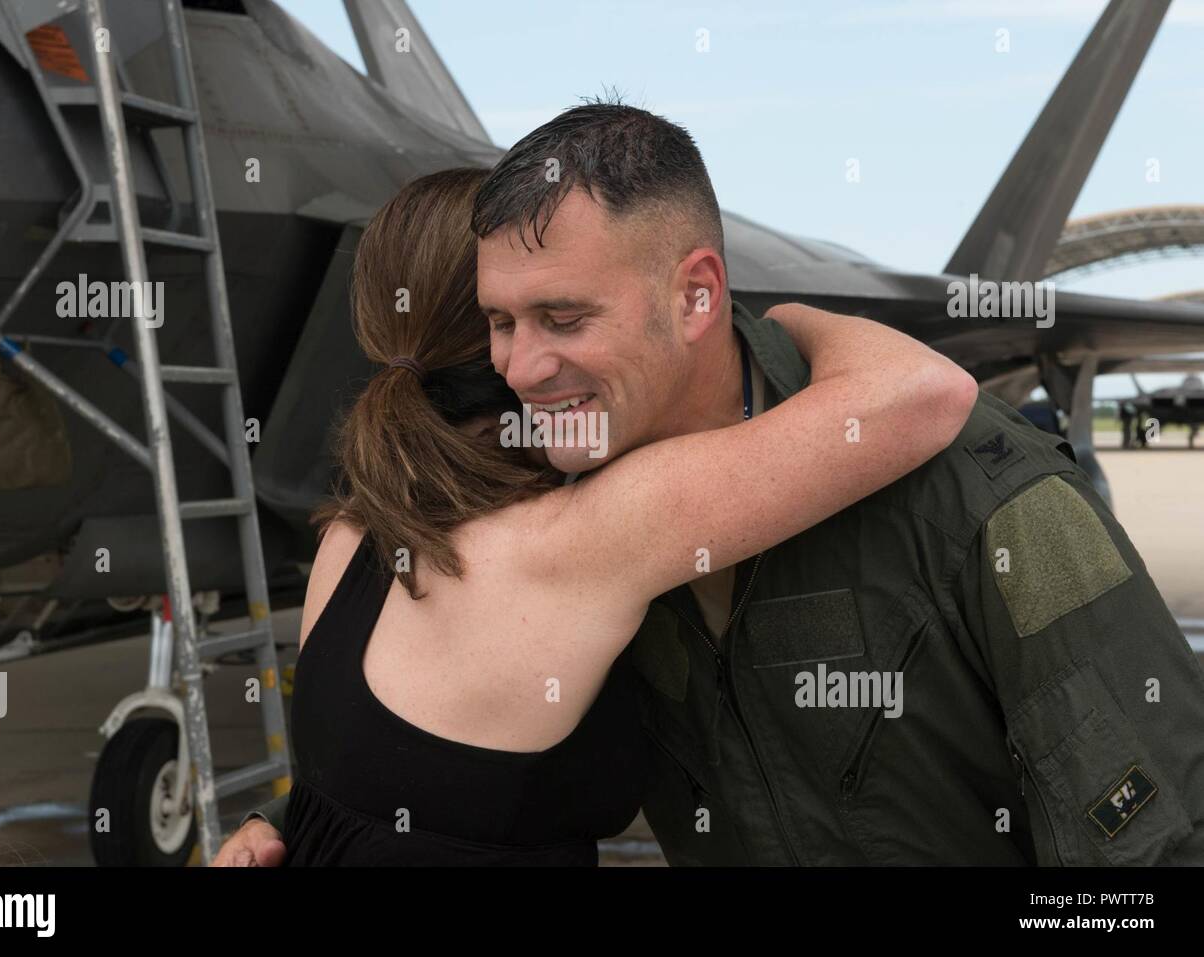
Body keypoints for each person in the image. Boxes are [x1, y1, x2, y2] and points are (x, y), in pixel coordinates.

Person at [231, 102, 1204, 867]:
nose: (525, 367)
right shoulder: (560, 518)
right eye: (500, 325)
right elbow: (437, 754)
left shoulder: (984, 505)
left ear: (695, 294)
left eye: (564, 318)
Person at [212, 165, 977, 866]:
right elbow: (922, 391)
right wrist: (784, 318)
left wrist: (271, 820)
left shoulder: (351, 534)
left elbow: (367, 788)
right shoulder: (588, 538)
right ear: (494, 331)